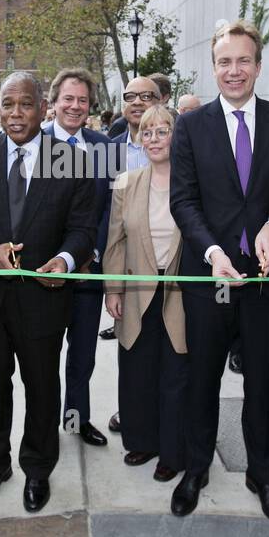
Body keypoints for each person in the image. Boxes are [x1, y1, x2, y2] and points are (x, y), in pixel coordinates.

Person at [169, 20, 269, 528]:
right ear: (214, 67)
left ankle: (262, 474)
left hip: (266, 282)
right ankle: (196, 468)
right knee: (202, 376)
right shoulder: (191, 125)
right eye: (224, 62)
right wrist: (211, 253)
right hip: (209, 279)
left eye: (243, 60)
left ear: (258, 64)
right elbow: (183, 201)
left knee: (261, 383)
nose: (234, 71)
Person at [0, 71, 97, 514]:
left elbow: (83, 228)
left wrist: (66, 261)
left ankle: (37, 469)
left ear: (44, 107)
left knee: (42, 389)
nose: (16, 113)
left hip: (44, 300)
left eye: (25, 104)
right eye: (7, 104)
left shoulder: (70, 160)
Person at [103, 105, 186, 482]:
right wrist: (113, 289)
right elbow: (115, 241)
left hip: (180, 293)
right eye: (147, 133)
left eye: (162, 131)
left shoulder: (192, 182)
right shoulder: (126, 183)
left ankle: (172, 450)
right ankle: (142, 440)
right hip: (136, 290)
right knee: (136, 368)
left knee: (176, 372)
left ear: (176, 135)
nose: (153, 139)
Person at [42, 68, 114, 447]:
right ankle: (42, 425)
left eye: (82, 100)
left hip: (89, 272)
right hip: (45, 273)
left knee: (83, 353)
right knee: (44, 356)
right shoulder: (34, 145)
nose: (75, 106)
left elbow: (108, 210)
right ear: (53, 103)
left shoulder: (103, 147)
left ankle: (76, 419)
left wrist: (90, 252)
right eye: (67, 99)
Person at [99, 75, 163, 358]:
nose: (137, 102)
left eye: (146, 96)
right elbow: (104, 215)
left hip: (169, 271)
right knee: (133, 353)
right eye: (130, 97)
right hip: (126, 270)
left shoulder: (181, 149)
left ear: (160, 102)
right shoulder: (106, 151)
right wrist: (112, 285)